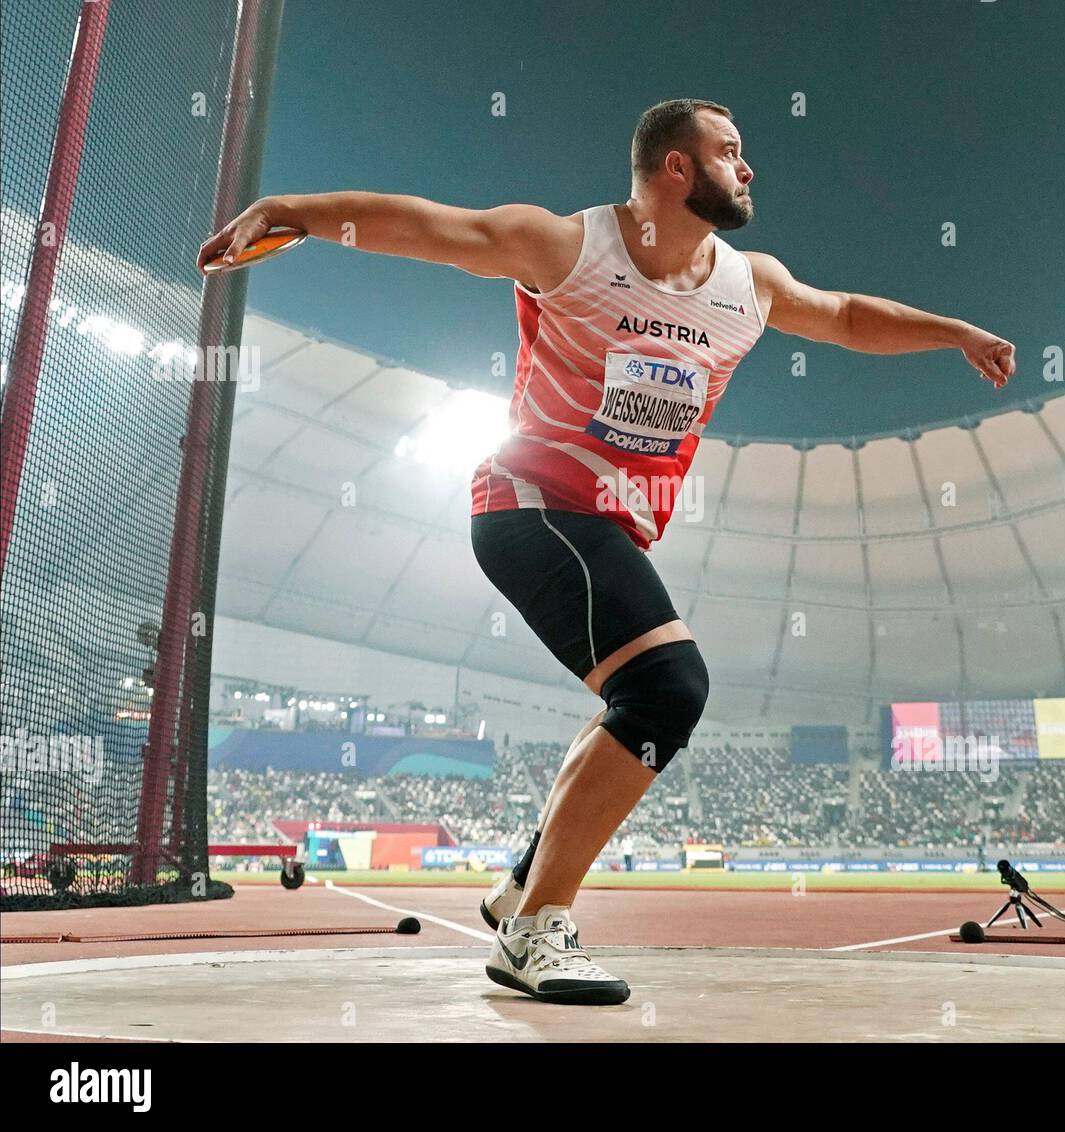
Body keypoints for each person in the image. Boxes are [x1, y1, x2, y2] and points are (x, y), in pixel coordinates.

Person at [198, 98, 1016, 1005]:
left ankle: (526, 883)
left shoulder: (751, 283)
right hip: (529, 503)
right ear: (675, 168)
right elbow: (435, 226)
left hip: (608, 525)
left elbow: (847, 316)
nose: (749, 170)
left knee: (647, 697)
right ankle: (536, 926)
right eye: (731, 152)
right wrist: (294, 211)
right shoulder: (569, 248)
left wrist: (956, 333)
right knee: (669, 685)